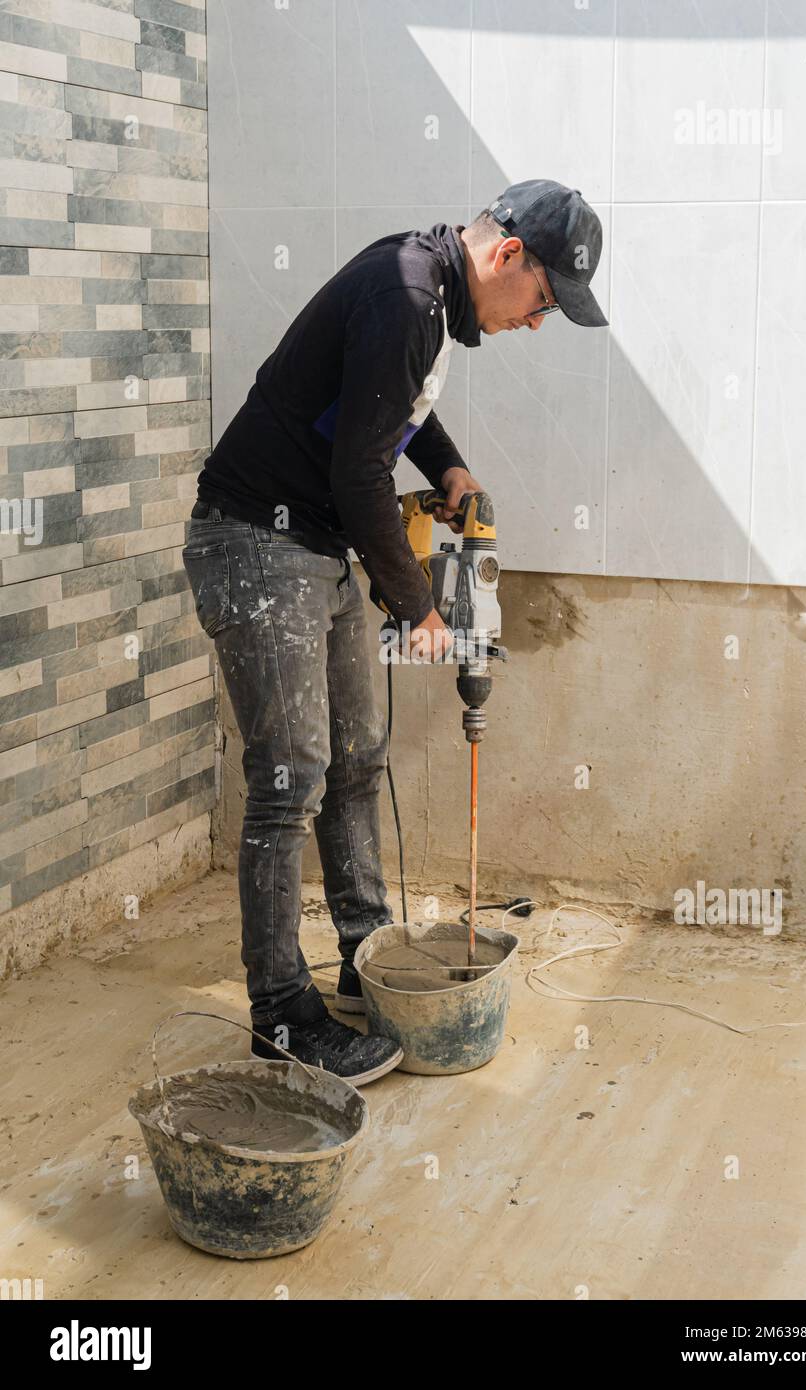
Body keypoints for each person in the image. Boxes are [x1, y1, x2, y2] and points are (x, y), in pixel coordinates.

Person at [182, 179, 607, 1085]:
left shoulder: (429, 296)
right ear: (507, 256)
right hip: (255, 537)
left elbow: (387, 409)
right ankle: (281, 1015)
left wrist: (446, 465)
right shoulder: (409, 294)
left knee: (357, 752)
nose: (538, 322)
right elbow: (358, 474)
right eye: (542, 301)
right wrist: (417, 605)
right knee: (289, 773)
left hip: (313, 542)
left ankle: (364, 958)